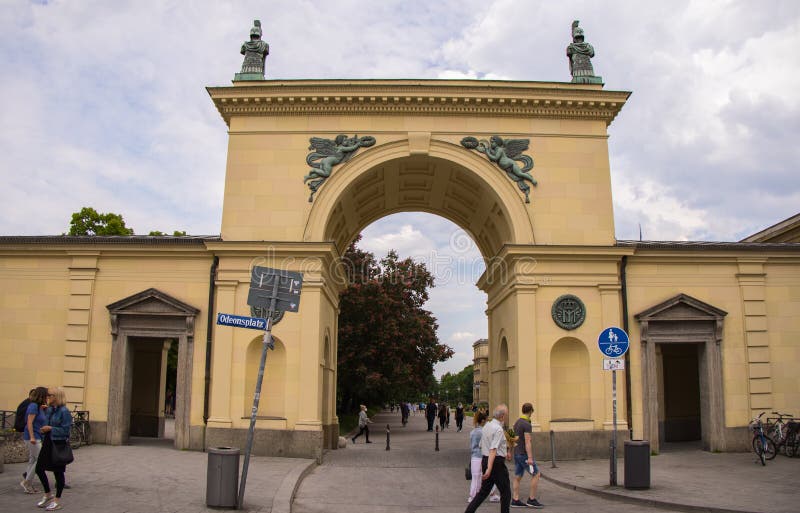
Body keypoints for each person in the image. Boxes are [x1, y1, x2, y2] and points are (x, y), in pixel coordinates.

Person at [465, 404, 512, 513]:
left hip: (486, 459)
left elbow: (482, 445)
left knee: (483, 492)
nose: (506, 417)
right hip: (495, 462)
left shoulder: (487, 426)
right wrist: (489, 469)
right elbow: (493, 449)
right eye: (506, 415)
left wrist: (504, 452)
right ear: (502, 416)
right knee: (505, 492)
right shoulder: (498, 429)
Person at [35, 387, 73, 511]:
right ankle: (48, 494)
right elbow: (46, 422)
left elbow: (66, 430)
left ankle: (57, 500)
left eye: (49, 395)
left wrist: (51, 428)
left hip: (58, 444)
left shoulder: (64, 411)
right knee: (39, 468)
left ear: (56, 397)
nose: (47, 397)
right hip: (48, 441)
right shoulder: (50, 409)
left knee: (58, 472)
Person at [511, 403, 544, 509]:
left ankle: (515, 500)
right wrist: (530, 458)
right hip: (523, 455)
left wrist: (510, 451)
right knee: (536, 474)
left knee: (517, 476)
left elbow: (513, 439)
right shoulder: (526, 424)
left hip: (516, 453)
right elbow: (528, 442)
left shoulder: (516, 422)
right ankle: (531, 499)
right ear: (531, 411)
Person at [20, 387, 48, 494]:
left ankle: (28, 483)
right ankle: (27, 482)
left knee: (33, 460)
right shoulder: (33, 406)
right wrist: (32, 436)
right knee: (39, 460)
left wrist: (43, 408)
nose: (47, 397)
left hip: (37, 436)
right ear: (42, 395)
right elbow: (29, 423)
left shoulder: (38, 406)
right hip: (33, 437)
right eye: (46, 395)